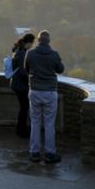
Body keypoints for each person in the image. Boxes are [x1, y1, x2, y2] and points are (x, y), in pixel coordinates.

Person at [24, 29, 65, 164]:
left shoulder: (30, 53)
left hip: (35, 90)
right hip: (50, 91)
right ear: (49, 41)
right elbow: (60, 69)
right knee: (49, 124)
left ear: (38, 40)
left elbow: (26, 68)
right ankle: (50, 153)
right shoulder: (54, 54)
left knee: (35, 122)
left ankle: (34, 153)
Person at [9, 33, 36, 138]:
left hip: (17, 84)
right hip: (21, 85)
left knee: (23, 107)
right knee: (24, 107)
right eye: (32, 44)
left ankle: (21, 129)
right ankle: (22, 130)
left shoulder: (19, 50)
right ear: (28, 43)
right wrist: (30, 79)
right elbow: (23, 71)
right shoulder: (22, 53)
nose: (32, 46)